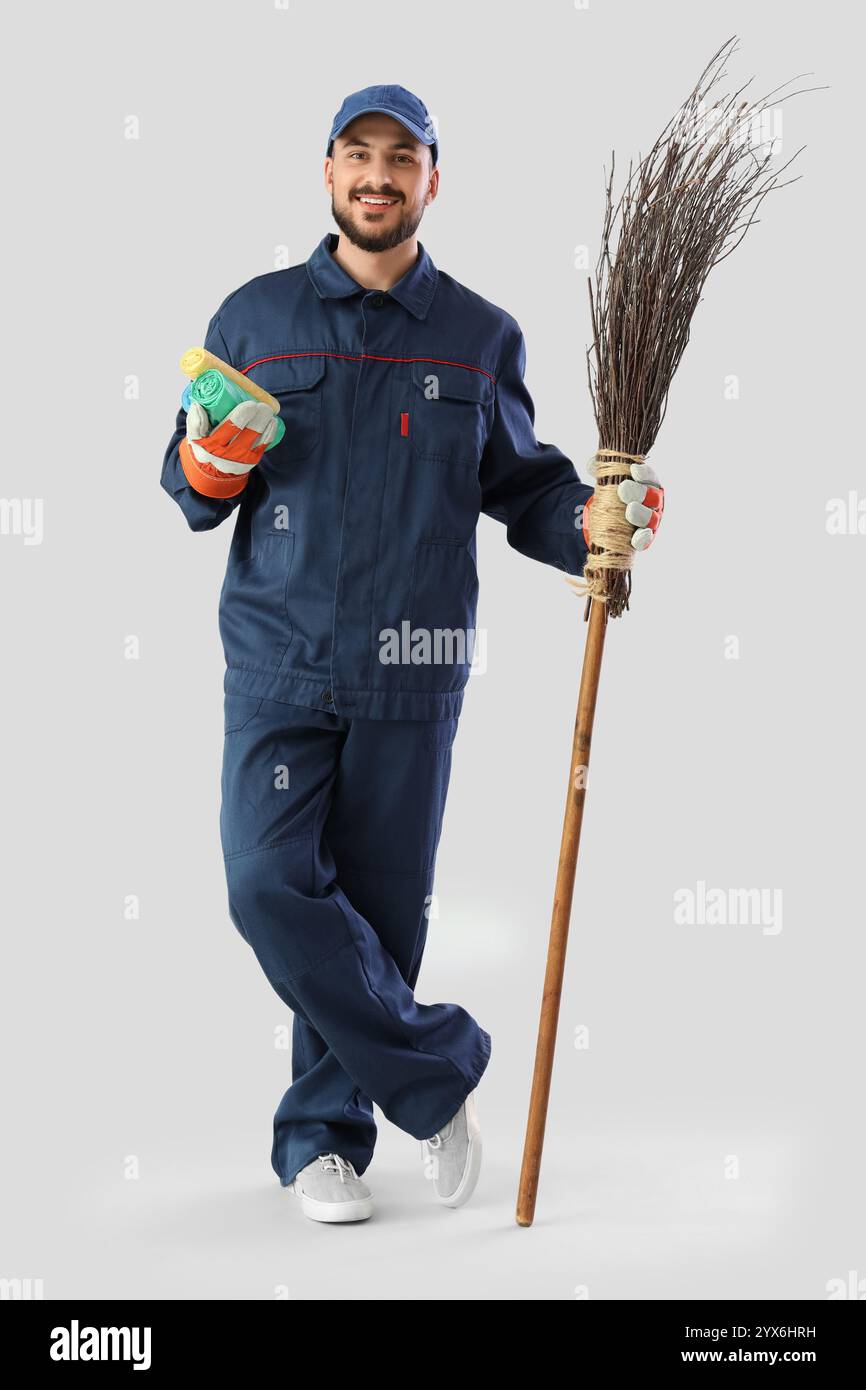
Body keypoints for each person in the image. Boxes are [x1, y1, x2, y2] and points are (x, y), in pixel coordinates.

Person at [160, 84, 665, 1225]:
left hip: (414, 665)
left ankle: (320, 1144)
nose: (377, 175)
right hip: (278, 660)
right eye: (357, 155)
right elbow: (187, 487)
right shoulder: (254, 315)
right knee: (267, 884)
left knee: (382, 915)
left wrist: (590, 521)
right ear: (327, 173)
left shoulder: (479, 335)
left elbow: (523, 487)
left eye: (402, 157)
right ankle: (433, 1077)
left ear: (433, 179)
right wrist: (211, 464)